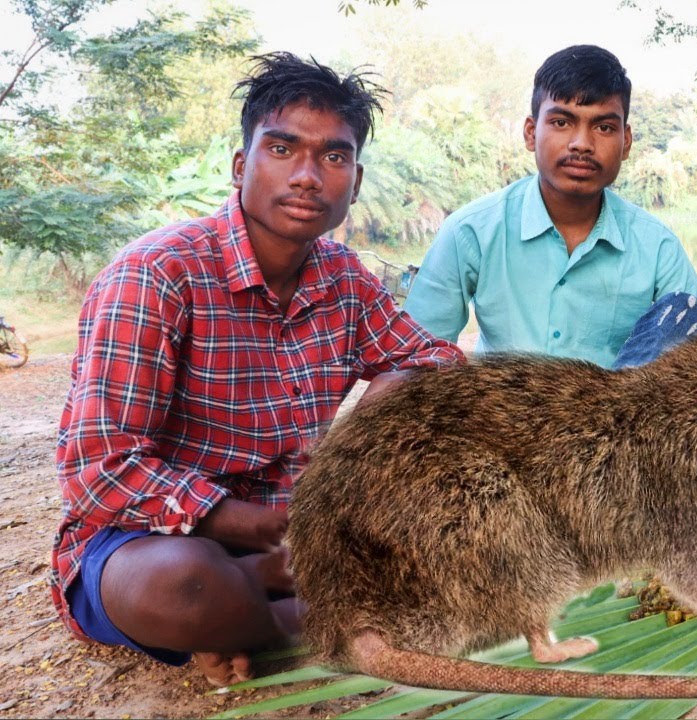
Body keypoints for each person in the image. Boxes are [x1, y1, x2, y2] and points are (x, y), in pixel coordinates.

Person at [51, 53, 464, 687]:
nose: (307, 176)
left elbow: (435, 361)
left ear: (353, 182)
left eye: (333, 157)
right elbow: (97, 467)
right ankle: (301, 614)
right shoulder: (158, 274)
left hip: (297, 533)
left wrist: (379, 421)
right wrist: (262, 527)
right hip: (156, 537)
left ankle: (255, 618)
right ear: (242, 166)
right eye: (282, 149)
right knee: (184, 587)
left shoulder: (345, 279)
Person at [403, 45, 697, 369]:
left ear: (626, 142)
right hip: (496, 415)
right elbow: (417, 355)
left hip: (610, 417)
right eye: (562, 122)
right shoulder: (470, 232)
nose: (581, 143)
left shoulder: (657, 246)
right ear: (531, 132)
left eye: (604, 127)